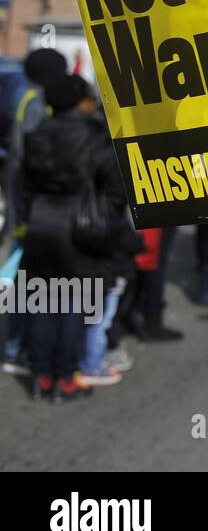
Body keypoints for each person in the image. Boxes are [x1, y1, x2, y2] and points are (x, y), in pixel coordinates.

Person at [21, 75, 132, 400]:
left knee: (42, 303)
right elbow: (116, 190)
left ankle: (42, 376)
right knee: (72, 306)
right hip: (82, 228)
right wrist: (105, 218)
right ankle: (67, 376)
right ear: (79, 101)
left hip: (42, 221)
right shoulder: (96, 135)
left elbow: (24, 183)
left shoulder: (36, 134)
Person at [2, 48, 68, 375]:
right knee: (29, 284)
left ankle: (18, 347)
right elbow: (32, 162)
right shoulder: (38, 103)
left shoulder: (27, 97)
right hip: (32, 211)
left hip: (24, 207)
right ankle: (17, 350)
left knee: (24, 283)